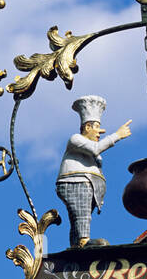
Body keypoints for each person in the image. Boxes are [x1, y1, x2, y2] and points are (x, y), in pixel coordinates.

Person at [55, 95, 132, 247]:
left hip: (87, 184)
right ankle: (83, 240)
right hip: (76, 182)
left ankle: (76, 243)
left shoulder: (90, 151)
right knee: (81, 213)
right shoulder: (75, 139)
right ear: (87, 127)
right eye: (96, 127)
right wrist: (117, 135)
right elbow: (95, 149)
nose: (100, 131)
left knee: (78, 216)